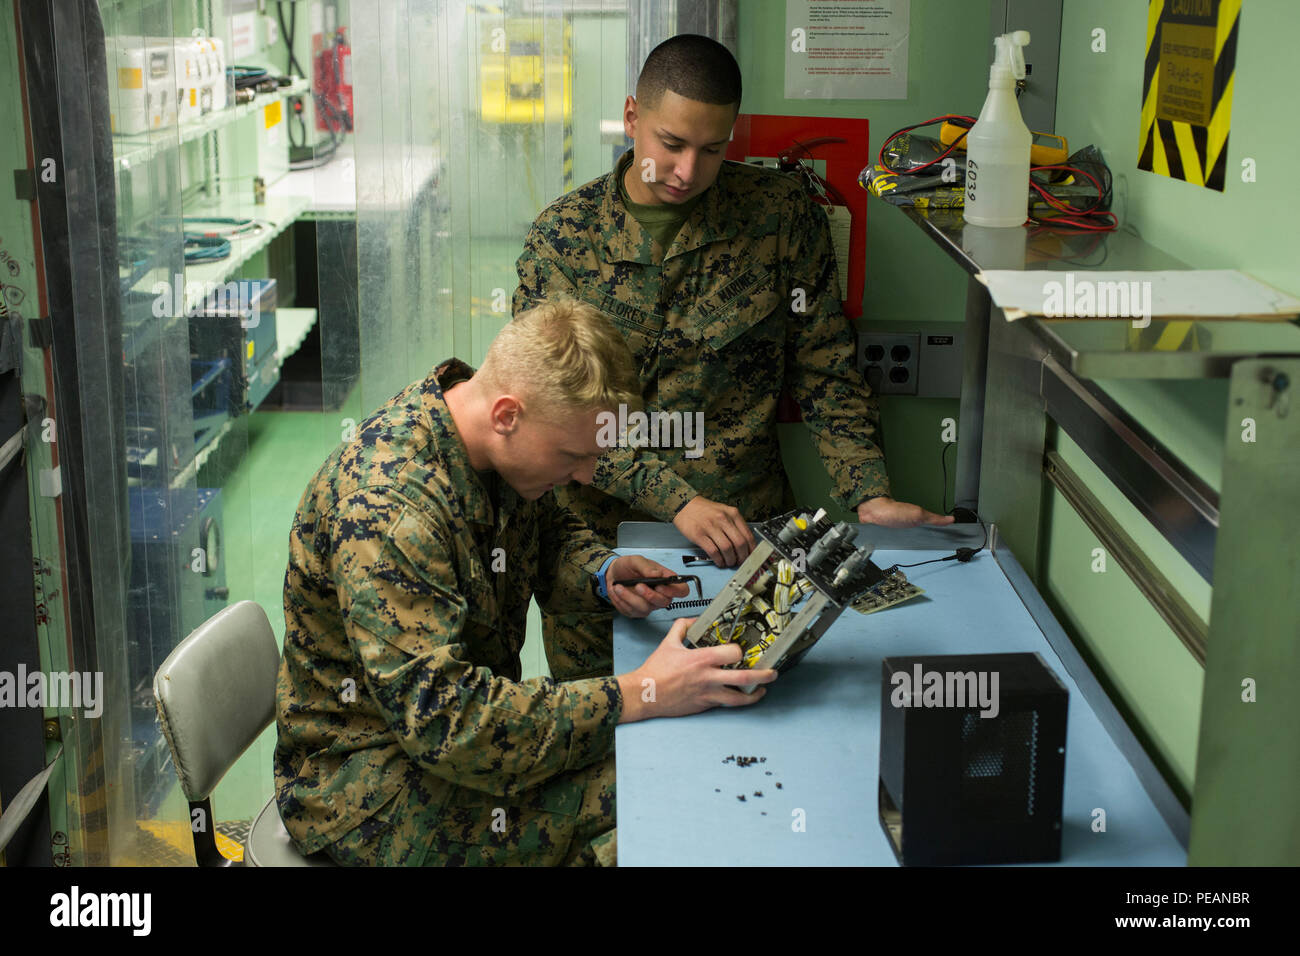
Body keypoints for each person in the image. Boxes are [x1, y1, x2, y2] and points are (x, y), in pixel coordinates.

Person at [274, 299, 775, 867]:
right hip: (365, 787)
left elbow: (545, 536)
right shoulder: (390, 510)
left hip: (442, 739)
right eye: (574, 456)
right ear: (508, 414)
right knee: (651, 797)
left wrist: (603, 574)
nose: (586, 475)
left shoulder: (486, 443)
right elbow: (448, 721)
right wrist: (640, 692)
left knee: (663, 755)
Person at [513, 33, 952, 681]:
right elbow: (548, 416)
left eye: (712, 149)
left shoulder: (778, 219)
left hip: (742, 551)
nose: (689, 170)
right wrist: (676, 500)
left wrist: (868, 492)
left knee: (749, 732)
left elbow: (825, 363)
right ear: (633, 117)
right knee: (606, 745)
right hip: (600, 559)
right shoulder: (561, 240)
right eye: (672, 144)